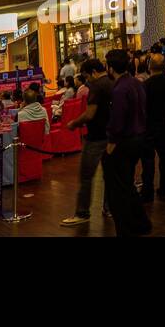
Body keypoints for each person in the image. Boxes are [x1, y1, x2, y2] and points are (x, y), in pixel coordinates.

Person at [102, 50, 151, 236]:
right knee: (127, 185)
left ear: (111, 67)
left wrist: (110, 146)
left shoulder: (120, 89)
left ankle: (125, 229)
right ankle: (142, 223)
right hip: (139, 137)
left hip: (124, 142)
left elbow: (118, 121)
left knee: (117, 191)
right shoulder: (136, 83)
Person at [61, 58, 111, 226]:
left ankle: (82, 212)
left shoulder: (96, 86)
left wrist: (74, 123)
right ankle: (108, 207)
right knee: (109, 175)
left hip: (96, 137)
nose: (87, 80)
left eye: (86, 76)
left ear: (93, 73)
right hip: (111, 135)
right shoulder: (112, 82)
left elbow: (90, 114)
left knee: (86, 176)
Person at [139, 53, 165, 202]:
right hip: (164, 123)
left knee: (148, 160)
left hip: (149, 125)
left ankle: (147, 191)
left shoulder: (145, 86)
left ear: (149, 66)